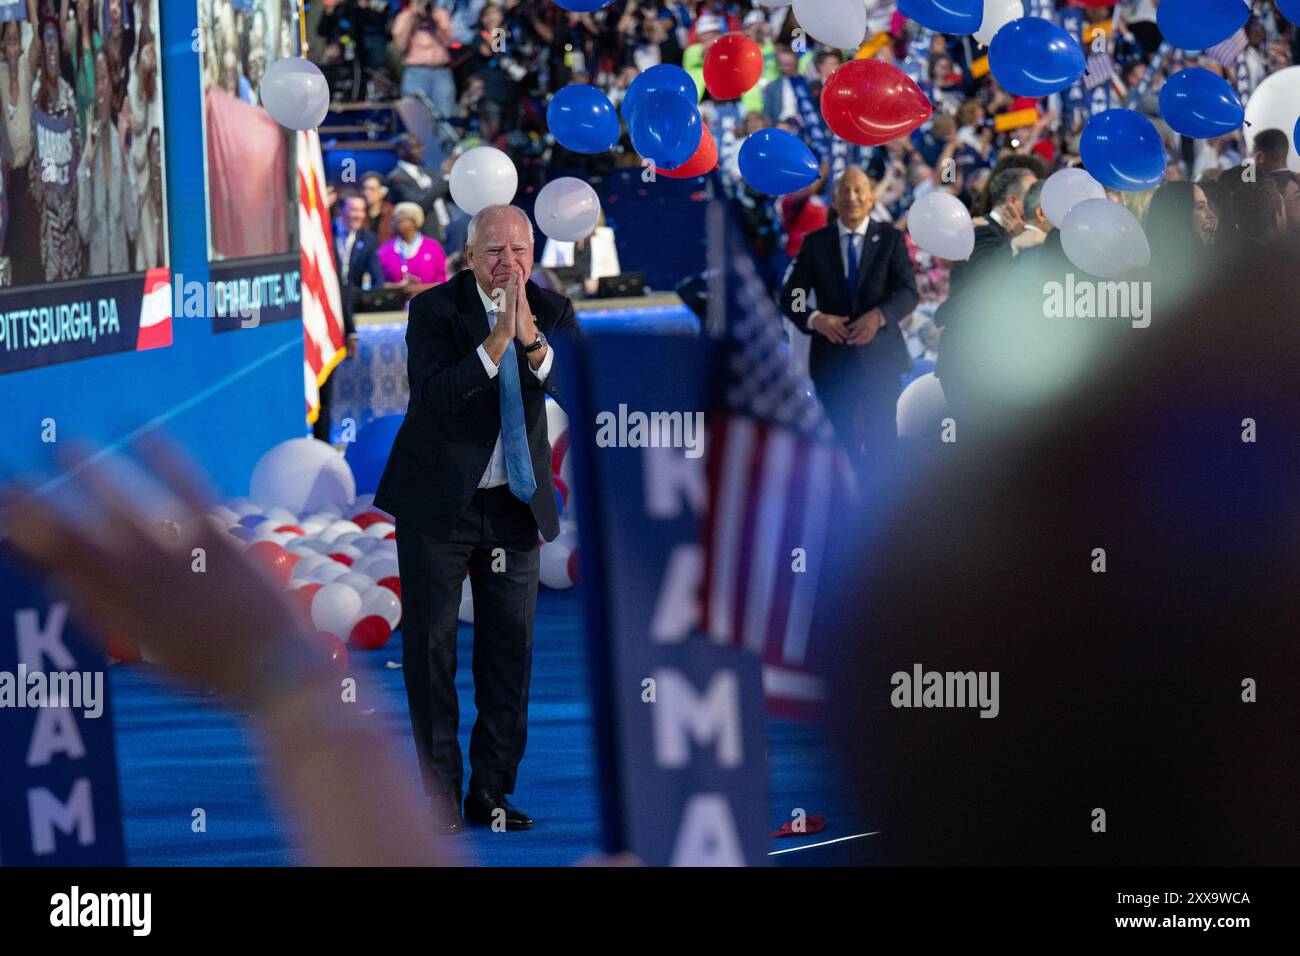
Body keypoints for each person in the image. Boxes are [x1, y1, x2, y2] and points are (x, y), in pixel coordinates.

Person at [372, 204, 579, 834]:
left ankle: (491, 791)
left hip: (513, 503)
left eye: (519, 251)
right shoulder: (433, 310)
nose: (507, 264)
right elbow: (434, 397)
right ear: (469, 255)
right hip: (438, 503)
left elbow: (575, 386)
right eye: (494, 251)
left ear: (533, 255)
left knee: (508, 655)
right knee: (430, 650)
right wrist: (494, 341)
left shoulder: (554, 311)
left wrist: (530, 340)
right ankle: (437, 798)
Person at [779, 167, 918, 480]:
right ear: (834, 200)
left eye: (858, 191)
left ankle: (885, 517)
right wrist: (815, 319)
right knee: (838, 448)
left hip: (880, 360)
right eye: (844, 191)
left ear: (870, 198)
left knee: (883, 445)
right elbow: (792, 296)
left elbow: (908, 293)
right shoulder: (815, 243)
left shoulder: (891, 239)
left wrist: (879, 316)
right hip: (832, 361)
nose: (852, 197)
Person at [934, 164, 1039, 418]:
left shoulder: (1009, 234)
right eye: (1034, 192)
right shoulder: (979, 232)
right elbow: (983, 282)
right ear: (1013, 201)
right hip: (968, 366)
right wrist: (1014, 244)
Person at [393, 0, 456, 120]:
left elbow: (448, 42)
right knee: (414, 119)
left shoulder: (441, 15)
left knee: (445, 117)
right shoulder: (404, 16)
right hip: (415, 73)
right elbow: (400, 45)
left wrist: (434, 20)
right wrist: (412, 18)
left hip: (441, 73)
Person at [385, 132, 450, 242]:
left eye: (421, 146)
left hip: (448, 228)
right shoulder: (397, 178)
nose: (421, 150)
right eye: (415, 147)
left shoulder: (429, 173)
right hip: (428, 234)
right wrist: (443, 180)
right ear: (401, 151)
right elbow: (420, 204)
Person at [378, 201, 448, 294]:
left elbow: (444, 282)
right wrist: (398, 288)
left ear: (415, 222)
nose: (397, 221)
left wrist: (418, 289)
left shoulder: (433, 248)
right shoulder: (385, 250)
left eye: (403, 218)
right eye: (395, 218)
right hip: (395, 305)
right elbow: (377, 283)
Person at [361, 169, 395, 243]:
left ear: (383, 192)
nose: (366, 193)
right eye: (364, 189)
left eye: (371, 189)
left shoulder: (392, 213)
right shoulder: (359, 212)